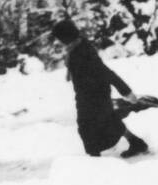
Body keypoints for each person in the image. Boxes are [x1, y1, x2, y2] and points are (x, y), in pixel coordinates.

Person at [52, 19, 149, 158]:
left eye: (59, 38)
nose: (58, 41)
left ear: (66, 36)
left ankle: (95, 161)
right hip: (90, 92)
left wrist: (126, 91)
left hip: (94, 93)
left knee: (86, 126)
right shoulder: (77, 47)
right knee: (109, 120)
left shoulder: (82, 51)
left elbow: (104, 71)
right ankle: (136, 142)